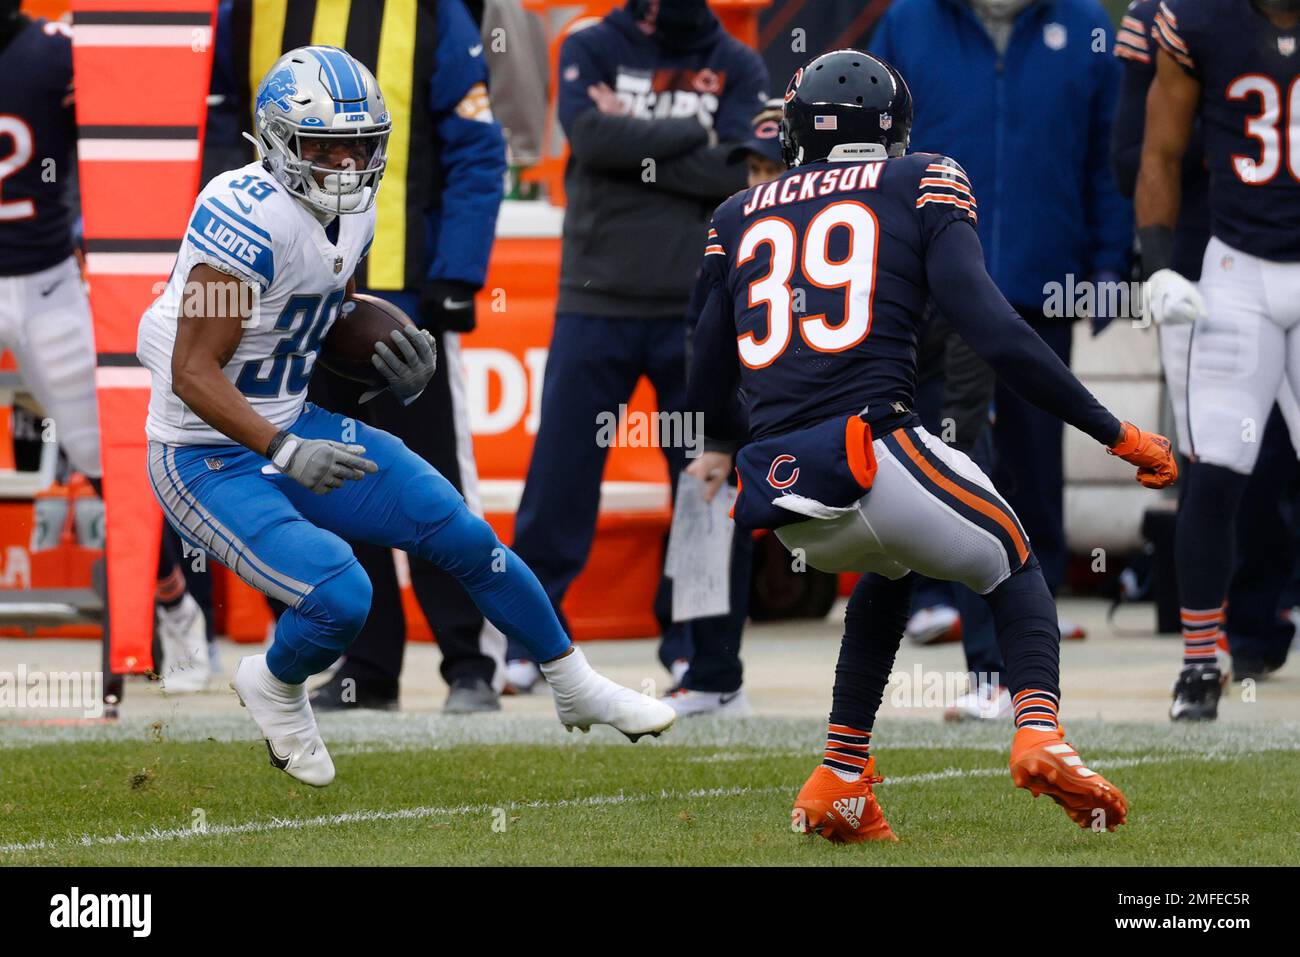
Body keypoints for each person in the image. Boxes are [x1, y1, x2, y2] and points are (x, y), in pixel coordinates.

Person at [137, 46, 674, 786]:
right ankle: (275, 683)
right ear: (277, 139)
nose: (345, 163)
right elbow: (192, 372)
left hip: (288, 418)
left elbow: (323, 311)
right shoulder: (240, 215)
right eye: (325, 146)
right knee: (341, 592)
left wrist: (395, 355)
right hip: (205, 453)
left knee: (456, 526)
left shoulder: (346, 212)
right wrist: (287, 449)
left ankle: (573, 682)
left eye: (359, 145)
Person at [687, 50, 1176, 841]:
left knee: (893, 564)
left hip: (785, 490)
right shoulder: (920, 178)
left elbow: (704, 374)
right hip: (875, 450)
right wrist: (1113, 430)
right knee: (1013, 554)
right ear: (894, 133)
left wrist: (728, 434)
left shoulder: (737, 214)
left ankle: (840, 776)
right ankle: (1040, 731)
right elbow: (995, 330)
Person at [209, 0, 511, 714]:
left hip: (401, 295)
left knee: (436, 483)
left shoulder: (433, 13)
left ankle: (469, 660)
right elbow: (222, 135)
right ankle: (368, 665)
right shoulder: (244, 12)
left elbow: (475, 143)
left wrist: (456, 274)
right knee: (334, 485)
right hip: (292, 297)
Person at [503, 0, 768, 692]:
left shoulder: (737, 63)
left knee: (702, 481)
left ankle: (695, 651)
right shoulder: (589, 42)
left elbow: (735, 175)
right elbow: (588, 142)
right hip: (597, 297)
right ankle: (530, 640)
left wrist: (637, 142)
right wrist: (689, 130)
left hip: (697, 307)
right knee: (560, 477)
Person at [871, 0, 1133, 621]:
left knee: (1034, 447)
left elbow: (1111, 155)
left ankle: (1033, 601)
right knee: (928, 441)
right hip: (925, 277)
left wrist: (1106, 265)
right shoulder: (907, 22)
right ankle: (931, 597)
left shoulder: (1090, 26)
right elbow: (872, 148)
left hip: (1045, 274)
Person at [0, 1, 208, 704]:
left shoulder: (56, 51)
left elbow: (129, 127)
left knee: (109, 459)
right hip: (47, 276)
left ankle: (175, 605)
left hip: (50, 281)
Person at [1114, 0, 1298, 694]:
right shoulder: (1194, 19)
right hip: (1237, 267)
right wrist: (1158, 262)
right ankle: (1198, 661)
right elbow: (1154, 151)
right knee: (1215, 467)